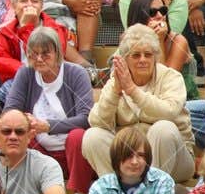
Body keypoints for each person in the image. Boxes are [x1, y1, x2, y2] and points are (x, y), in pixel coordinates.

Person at [83, 25, 197, 184]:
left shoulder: (171, 77)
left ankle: (153, 191)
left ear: (155, 57)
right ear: (125, 59)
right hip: (130, 157)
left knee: (163, 128)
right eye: (136, 55)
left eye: (148, 55)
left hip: (175, 159)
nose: (143, 60)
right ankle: (117, 190)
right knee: (93, 136)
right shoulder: (116, 80)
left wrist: (132, 90)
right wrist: (115, 93)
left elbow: (168, 112)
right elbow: (97, 121)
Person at [1, 26, 94, 194]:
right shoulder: (25, 73)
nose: (39, 59)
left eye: (45, 54)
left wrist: (48, 126)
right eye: (34, 54)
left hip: (71, 151)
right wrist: (25, 122)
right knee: (10, 136)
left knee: (78, 136)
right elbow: (9, 111)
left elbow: (86, 118)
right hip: (40, 148)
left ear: (57, 53)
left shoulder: (76, 73)